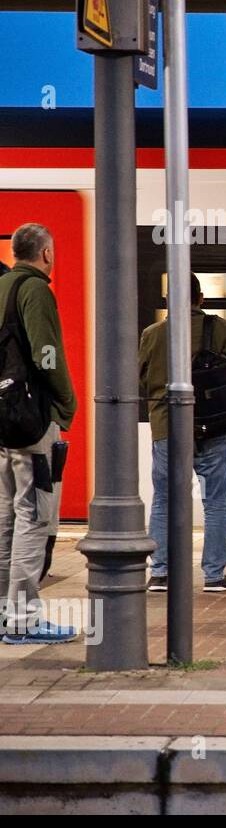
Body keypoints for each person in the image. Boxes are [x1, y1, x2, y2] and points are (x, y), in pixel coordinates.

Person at [140, 275, 226, 593]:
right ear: (201, 298)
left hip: (166, 426)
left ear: (169, 300)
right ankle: (214, 576)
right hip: (213, 425)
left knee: (164, 499)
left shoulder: (153, 334)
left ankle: (160, 573)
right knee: (215, 502)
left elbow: (142, 378)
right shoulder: (220, 329)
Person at [0, 223, 79, 643]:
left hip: (3, 422)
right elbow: (47, 354)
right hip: (31, 423)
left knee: (6, 519)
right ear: (45, 254)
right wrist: (68, 403)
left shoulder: (1, 286)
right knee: (33, 517)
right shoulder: (35, 290)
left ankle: (3, 616)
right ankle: (24, 621)